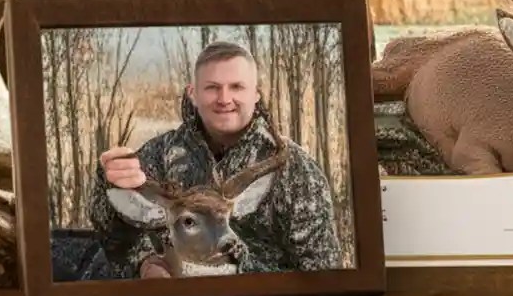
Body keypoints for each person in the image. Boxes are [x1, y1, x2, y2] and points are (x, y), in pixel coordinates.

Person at [89, 40, 344, 278]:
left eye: (237, 87)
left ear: (256, 93)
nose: (224, 99)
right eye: (212, 87)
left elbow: (323, 270)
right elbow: (114, 233)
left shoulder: (293, 168)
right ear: (193, 93)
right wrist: (146, 262)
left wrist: (238, 270)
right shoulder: (159, 155)